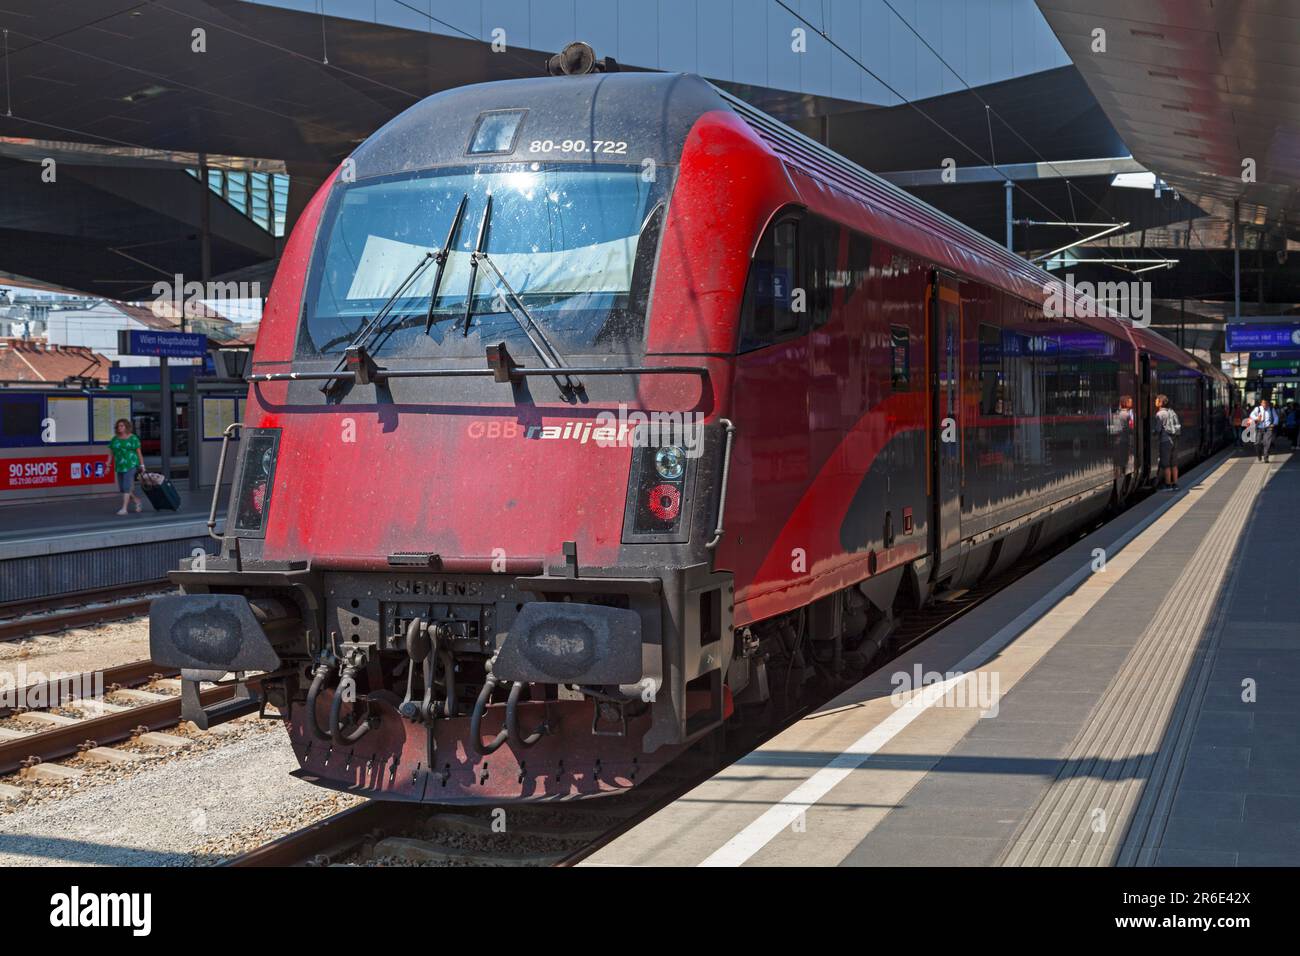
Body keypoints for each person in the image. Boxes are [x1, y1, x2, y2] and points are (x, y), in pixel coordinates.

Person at [107, 418, 144, 515]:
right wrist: (108, 465)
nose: (120, 428)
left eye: (122, 426)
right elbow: (111, 453)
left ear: (127, 427)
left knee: (126, 486)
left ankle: (124, 509)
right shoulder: (114, 439)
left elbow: (139, 453)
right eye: (118, 426)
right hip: (120, 465)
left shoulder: (133, 438)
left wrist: (142, 465)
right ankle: (137, 501)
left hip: (131, 464)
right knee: (122, 489)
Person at [1154, 394, 1181, 490]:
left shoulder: (1159, 414)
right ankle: (1175, 484)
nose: (1155, 402)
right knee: (1174, 464)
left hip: (1165, 441)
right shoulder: (1171, 412)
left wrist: (1154, 433)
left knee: (1166, 464)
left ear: (1161, 402)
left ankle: (1168, 484)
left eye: (1157, 400)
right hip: (1174, 440)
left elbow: (1158, 429)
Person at [1249, 397, 1278, 463]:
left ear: (1268, 404)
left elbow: (1276, 417)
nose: (1265, 405)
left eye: (1266, 403)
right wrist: (1257, 418)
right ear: (1261, 403)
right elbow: (1251, 415)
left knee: (1267, 443)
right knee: (1257, 443)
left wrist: (1274, 423)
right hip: (1259, 428)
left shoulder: (1271, 409)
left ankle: (1266, 457)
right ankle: (1259, 455)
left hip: (1268, 428)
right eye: (1263, 403)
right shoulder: (1258, 409)